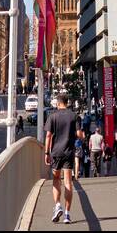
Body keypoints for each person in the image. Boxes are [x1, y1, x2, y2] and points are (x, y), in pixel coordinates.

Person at [44, 89, 77, 224]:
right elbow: (80, 134)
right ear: (67, 103)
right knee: (68, 182)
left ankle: (57, 206)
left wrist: (47, 153)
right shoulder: (73, 116)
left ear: (58, 103)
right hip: (69, 152)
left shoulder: (52, 116)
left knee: (56, 179)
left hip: (56, 152)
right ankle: (67, 214)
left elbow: (48, 136)